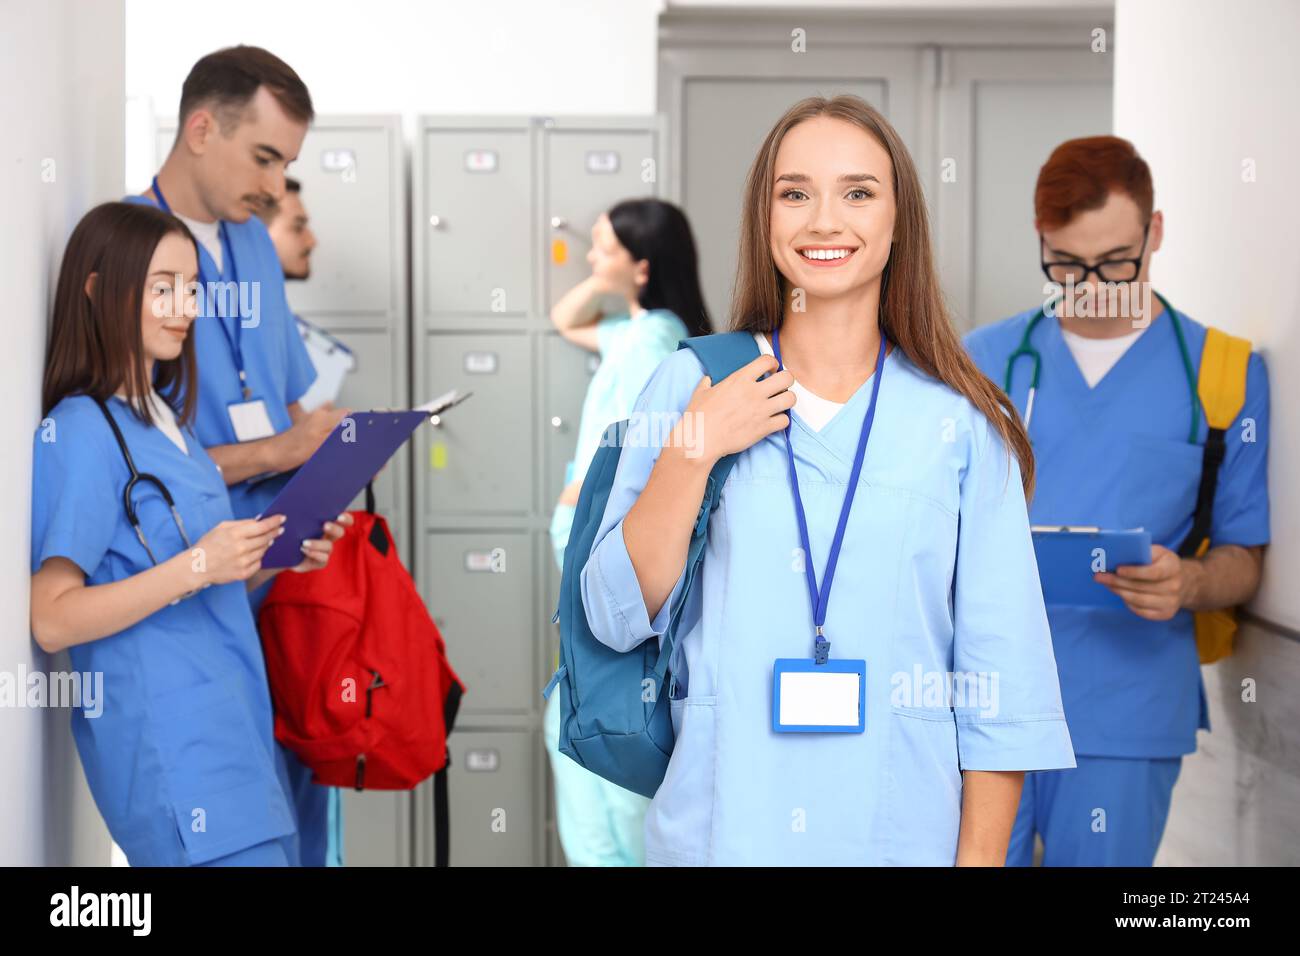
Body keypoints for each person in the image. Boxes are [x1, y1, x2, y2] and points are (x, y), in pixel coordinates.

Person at [578, 95, 1075, 866]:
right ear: (764, 216)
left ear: (898, 218)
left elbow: (1002, 692)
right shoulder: (691, 385)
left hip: (900, 835)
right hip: (719, 831)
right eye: (795, 192)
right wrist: (694, 452)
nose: (824, 221)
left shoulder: (962, 427)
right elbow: (614, 617)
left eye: (858, 192)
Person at [963, 136, 1270, 866]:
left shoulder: (1222, 375)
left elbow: (1244, 556)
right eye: (1066, 264)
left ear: (1154, 232)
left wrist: (1189, 581)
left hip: (1127, 710)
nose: (1091, 284)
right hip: (981, 703)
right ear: (1042, 242)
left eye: (1115, 262)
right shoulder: (980, 361)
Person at [29, 202, 347, 866]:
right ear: (98, 291)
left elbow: (207, 571)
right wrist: (200, 565)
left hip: (237, 736)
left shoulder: (170, 422)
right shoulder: (82, 432)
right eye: (163, 287)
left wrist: (279, 554)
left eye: (194, 288)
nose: (185, 307)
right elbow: (51, 619)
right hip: (174, 755)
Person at [129, 45, 347, 867]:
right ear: (199, 128)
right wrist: (279, 450)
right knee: (222, 826)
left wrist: (322, 477)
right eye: (264, 157)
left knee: (297, 812)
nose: (275, 185)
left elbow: (290, 406)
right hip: (193, 582)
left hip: (277, 568)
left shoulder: (253, 244)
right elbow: (135, 460)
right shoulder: (130, 248)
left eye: (287, 164)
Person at [544, 199, 710, 866]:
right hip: (601, 564)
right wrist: (612, 267)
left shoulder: (648, 342)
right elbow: (564, 319)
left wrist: (574, 502)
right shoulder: (644, 330)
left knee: (599, 733)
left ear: (642, 267)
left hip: (606, 561)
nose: (588, 259)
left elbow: (633, 467)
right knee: (595, 715)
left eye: (603, 248)